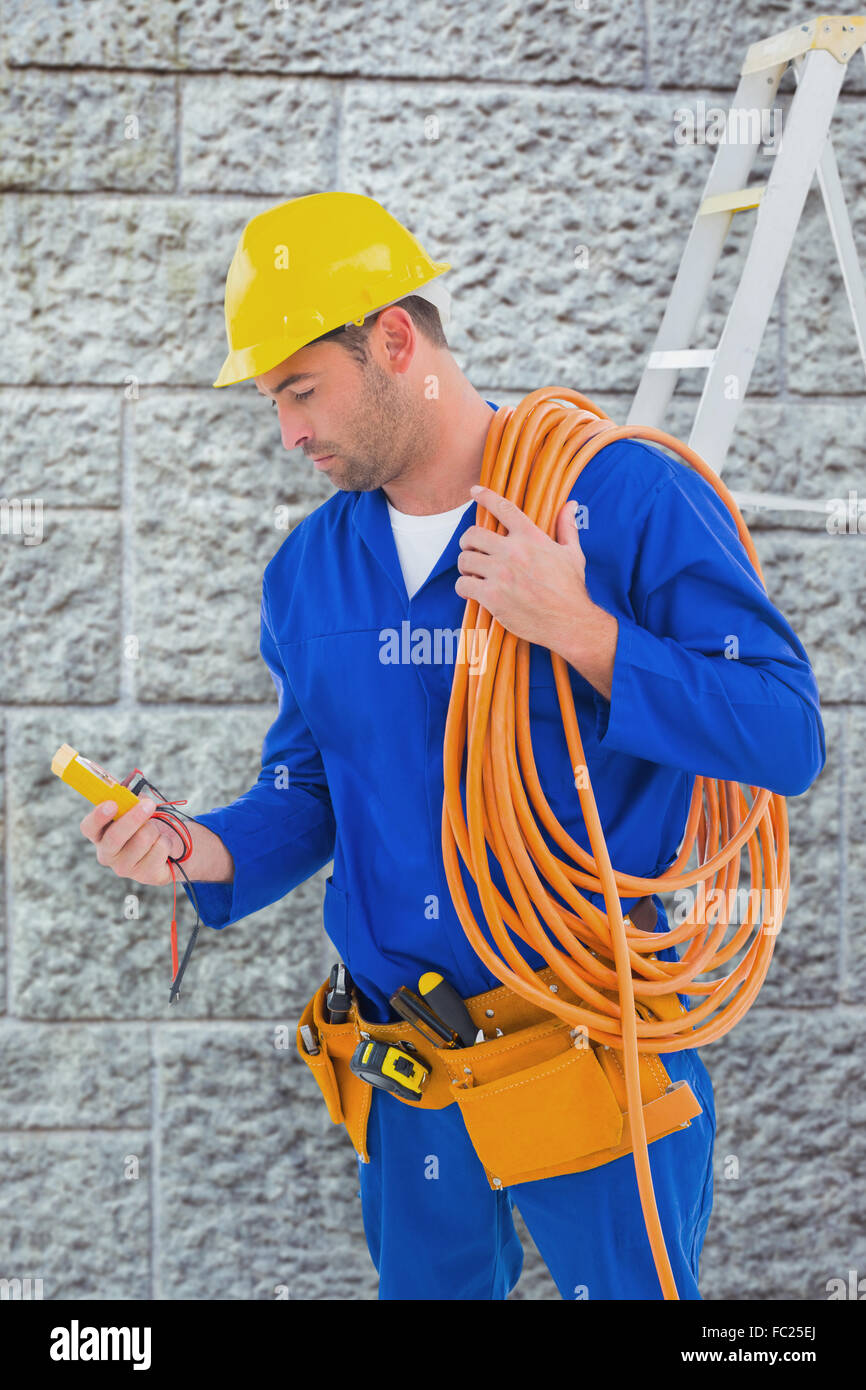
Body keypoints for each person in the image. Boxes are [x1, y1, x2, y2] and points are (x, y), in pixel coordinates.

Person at [80, 193, 826, 1300]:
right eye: (273, 400)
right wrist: (193, 847)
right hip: (407, 1070)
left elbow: (782, 729)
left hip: (584, 1052)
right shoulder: (308, 571)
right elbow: (307, 788)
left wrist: (578, 627)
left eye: (298, 389)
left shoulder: (619, 498)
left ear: (391, 341)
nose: (287, 431)